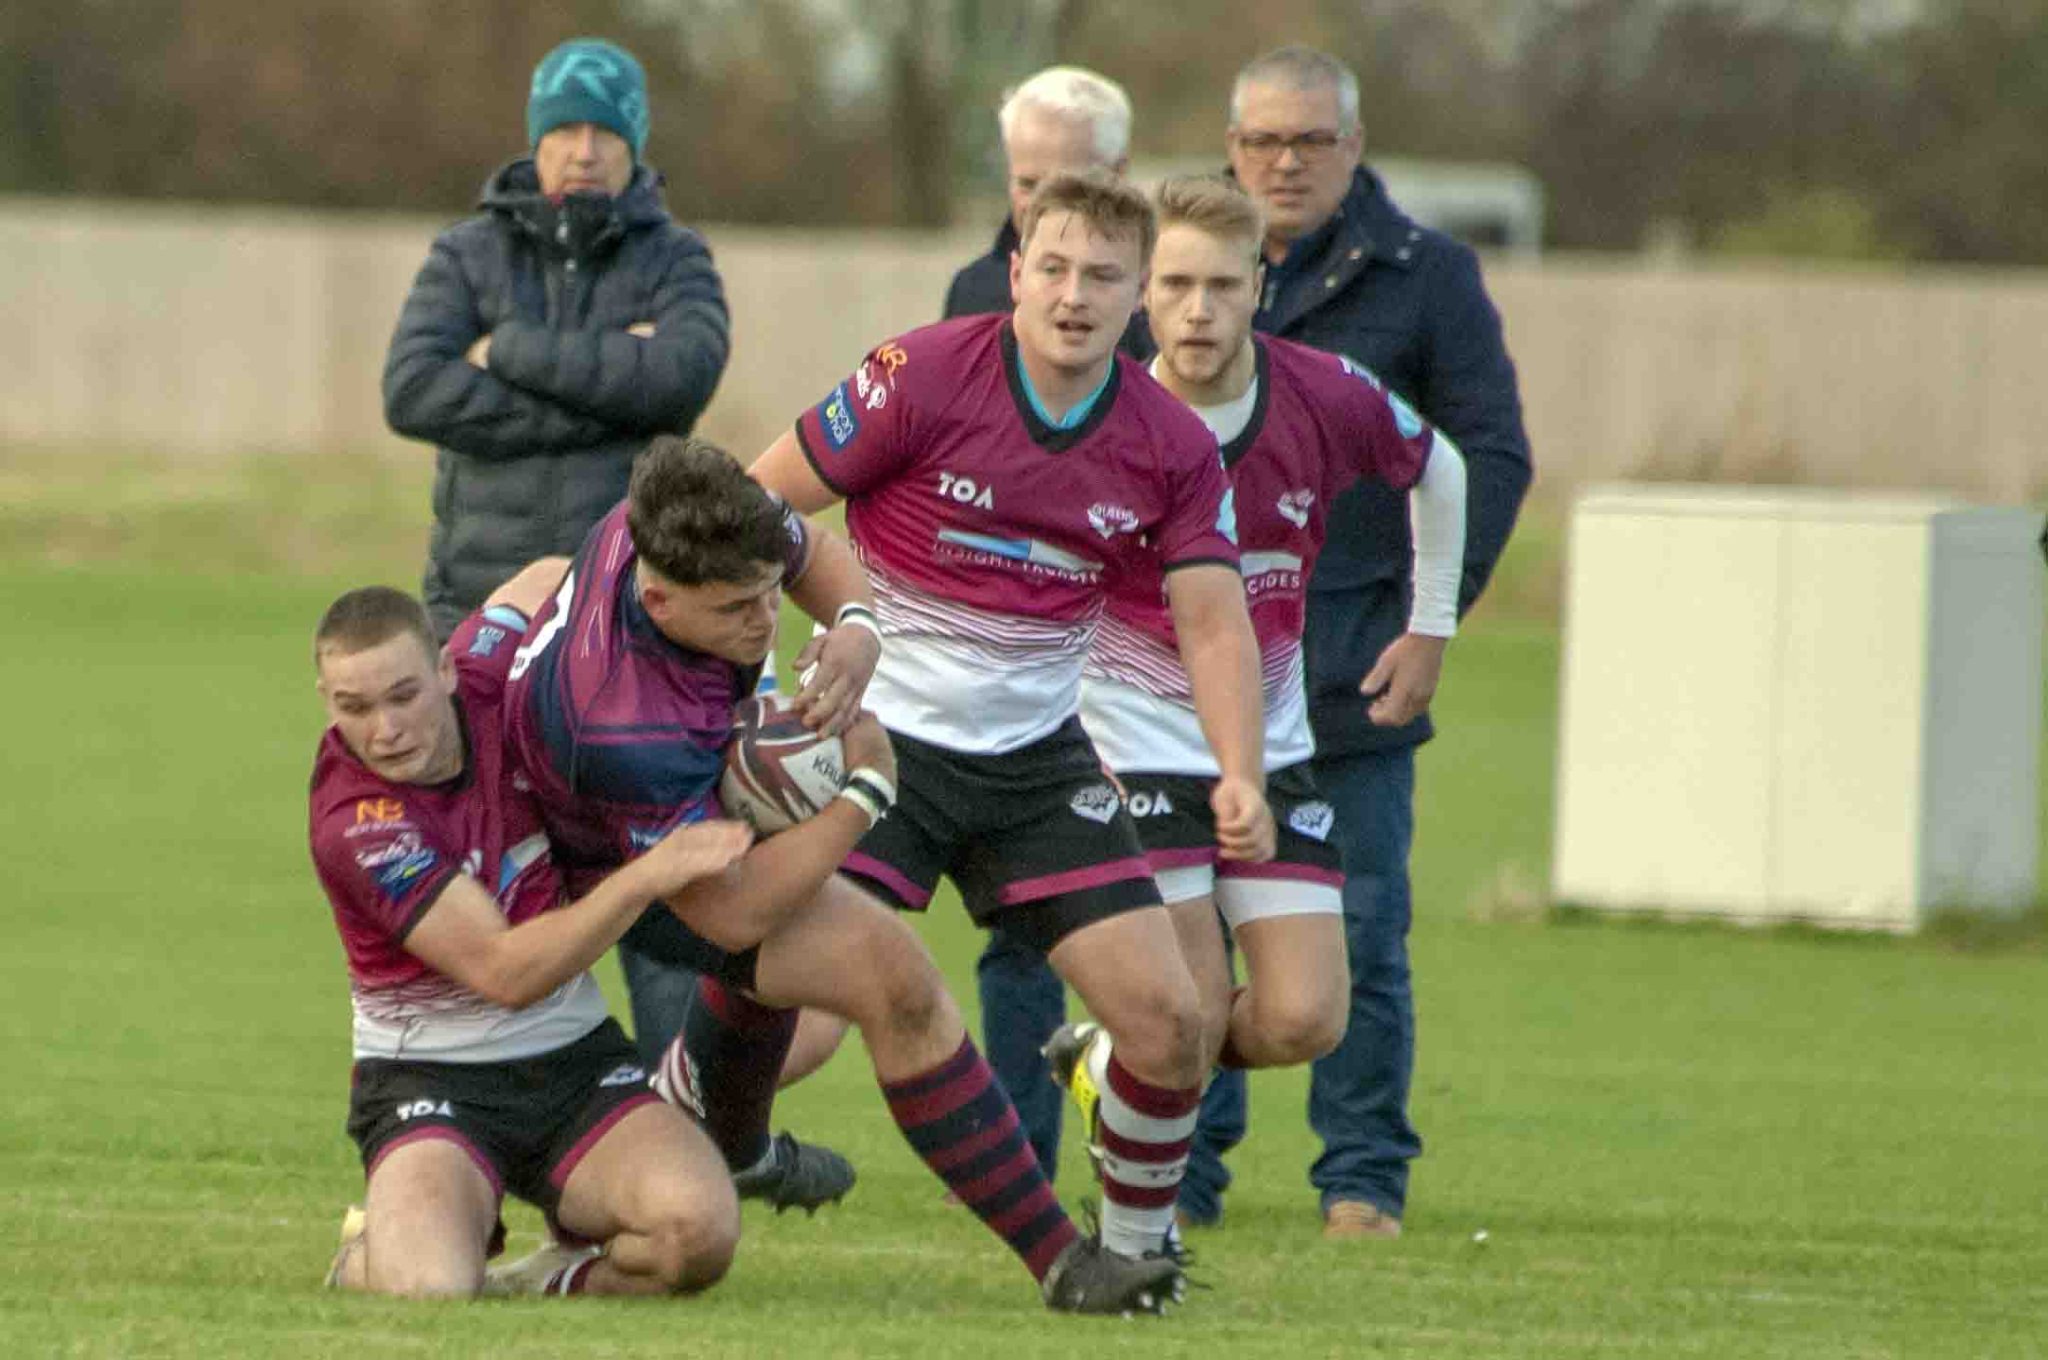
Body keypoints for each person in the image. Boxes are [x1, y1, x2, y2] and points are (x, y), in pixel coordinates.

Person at [503, 435, 1182, 1314]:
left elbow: (817, 553)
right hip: (592, 865)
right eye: (734, 609)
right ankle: (1067, 1263)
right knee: (892, 977)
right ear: (659, 598)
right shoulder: (622, 728)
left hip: (679, 790)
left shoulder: (695, 523)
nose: (761, 621)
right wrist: (863, 790)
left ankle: (727, 1140)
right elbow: (732, 916)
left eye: (764, 595)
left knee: (815, 971)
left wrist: (857, 632)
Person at [749, 171, 1274, 1266]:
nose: (1073, 294)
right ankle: (631, 1157)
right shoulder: (921, 374)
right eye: (1053, 268)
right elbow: (760, 507)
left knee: (1175, 1023)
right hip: (876, 748)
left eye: (1102, 275)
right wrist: (783, 650)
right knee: (795, 1022)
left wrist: (1239, 769)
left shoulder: (1172, 444)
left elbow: (1214, 622)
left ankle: (1132, 1260)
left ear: (1138, 298)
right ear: (1014, 271)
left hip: (1036, 765)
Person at [1046, 174, 1467, 1231]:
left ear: (1258, 285)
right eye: (1175, 284)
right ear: (1141, 292)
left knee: (1303, 1016)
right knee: (1181, 1021)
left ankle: (1101, 1061)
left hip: (1273, 754)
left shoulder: (1322, 394)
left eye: (1220, 286)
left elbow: (1442, 468)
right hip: (1129, 753)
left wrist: (1430, 625)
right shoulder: (1094, 412)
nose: (1197, 310)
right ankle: (1141, 1223)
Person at [1217, 45, 1534, 1238]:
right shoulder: (1192, 266)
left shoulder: (1427, 276)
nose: (1282, 163)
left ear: (1353, 148)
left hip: (1354, 658)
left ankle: (1360, 1175)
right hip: (1199, 672)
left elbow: (1487, 457)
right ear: (1230, 147)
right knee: (1194, 925)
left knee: (1359, 926)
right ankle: (1183, 1174)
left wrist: (1430, 621)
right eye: (1259, 141)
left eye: (1308, 140)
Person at [382, 37, 733, 1076]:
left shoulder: (676, 259)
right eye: (563, 130)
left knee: (655, 861)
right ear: (535, 140)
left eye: (603, 132)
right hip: (479, 609)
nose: (581, 151)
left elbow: (676, 381)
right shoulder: (464, 255)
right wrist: (599, 399)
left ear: (634, 147)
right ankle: (477, 1101)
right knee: (483, 863)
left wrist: (517, 355)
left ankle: (685, 1119)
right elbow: (413, 390)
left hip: (624, 617)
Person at [308, 579, 755, 1299]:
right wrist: (648, 874)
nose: (384, 729)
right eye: (353, 708)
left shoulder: (489, 676)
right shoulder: (358, 822)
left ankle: (547, 1280)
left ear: (447, 670)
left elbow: (558, 569)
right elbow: (507, 972)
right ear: (328, 702)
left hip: (572, 1063)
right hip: (429, 1082)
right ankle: (370, 1253)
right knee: (432, 1290)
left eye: (403, 696)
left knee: (697, 1237)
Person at [937, 65, 1150, 1181]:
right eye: (1022, 183)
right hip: (1006, 670)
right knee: (1014, 935)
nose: (1034, 202)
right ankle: (1020, 1152)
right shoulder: (972, 290)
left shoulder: (1157, 306)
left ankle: (1178, 1166)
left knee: (1153, 921)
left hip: (1127, 659)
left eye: (1057, 179)